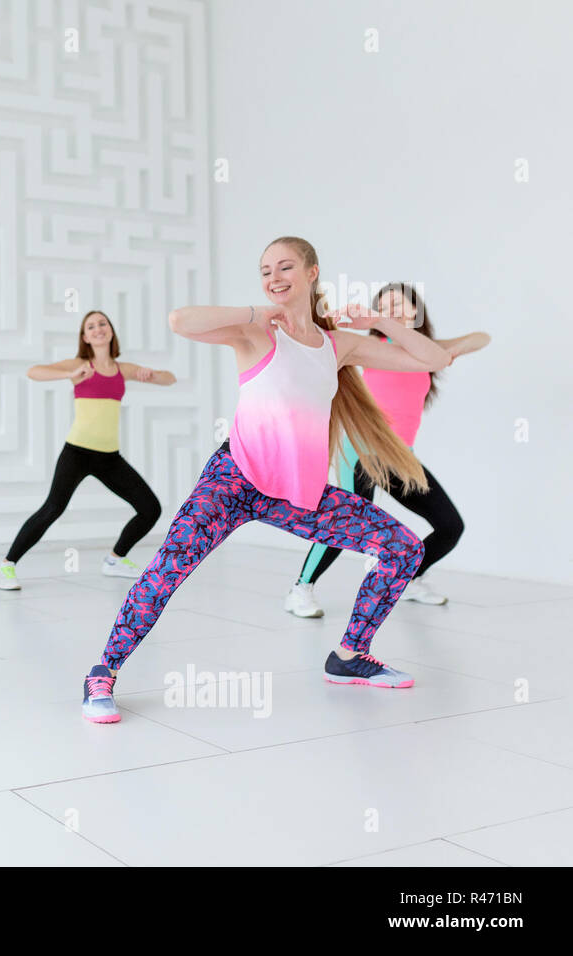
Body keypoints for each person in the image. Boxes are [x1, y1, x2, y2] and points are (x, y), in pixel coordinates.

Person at [80, 237, 452, 724]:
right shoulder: (257, 333)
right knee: (166, 570)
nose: (274, 277)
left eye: (285, 267)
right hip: (233, 481)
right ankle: (102, 673)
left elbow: (435, 359)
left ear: (312, 272)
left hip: (298, 494)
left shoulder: (337, 345)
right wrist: (257, 311)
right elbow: (180, 321)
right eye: (265, 270)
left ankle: (348, 657)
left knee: (403, 546)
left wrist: (379, 323)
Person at [284, 282, 490, 615]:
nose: (392, 310)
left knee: (450, 526)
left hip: (400, 457)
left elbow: (481, 338)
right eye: (384, 306)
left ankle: (410, 578)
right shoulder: (372, 347)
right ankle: (300, 589)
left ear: (415, 310)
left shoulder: (428, 350)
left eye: (399, 304)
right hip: (362, 453)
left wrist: (431, 345)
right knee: (346, 522)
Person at [0, 310, 174, 590]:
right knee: (53, 508)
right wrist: (70, 374)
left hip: (109, 457)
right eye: (91, 326)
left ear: (111, 331)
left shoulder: (122, 369)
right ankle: (6, 567)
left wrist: (152, 375)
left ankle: (115, 559)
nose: (98, 329)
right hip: (77, 452)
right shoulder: (80, 364)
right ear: (85, 337)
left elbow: (169, 378)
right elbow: (33, 372)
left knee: (150, 509)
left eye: (102, 324)